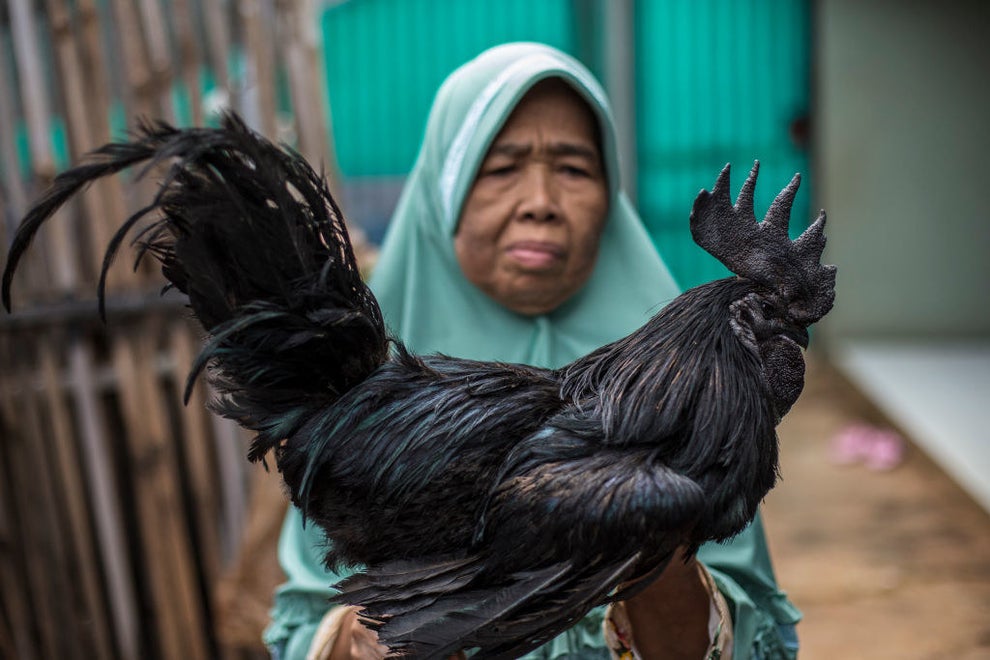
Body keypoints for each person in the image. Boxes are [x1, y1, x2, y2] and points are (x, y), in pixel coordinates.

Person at [263, 42, 801, 660]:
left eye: (573, 168)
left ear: (609, 192)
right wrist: (358, 639)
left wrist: (657, 548)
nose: (541, 201)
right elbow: (301, 622)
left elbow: (759, 637)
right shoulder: (365, 390)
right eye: (500, 168)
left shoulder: (694, 395)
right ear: (447, 189)